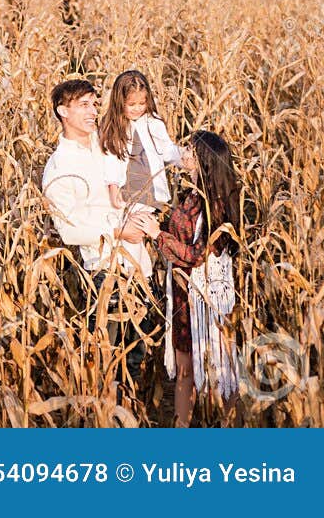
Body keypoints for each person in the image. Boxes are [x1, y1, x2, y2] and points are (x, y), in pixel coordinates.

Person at [149, 129, 243, 427]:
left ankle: (239, 434)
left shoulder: (216, 204)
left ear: (204, 160)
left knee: (222, 370)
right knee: (184, 370)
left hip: (207, 300)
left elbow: (197, 255)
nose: (184, 153)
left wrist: (157, 235)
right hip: (182, 294)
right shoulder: (193, 195)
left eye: (189, 149)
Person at [42, 78, 157, 281]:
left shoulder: (110, 143)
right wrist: (119, 232)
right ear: (63, 111)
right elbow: (69, 232)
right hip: (104, 272)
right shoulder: (59, 168)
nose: (93, 112)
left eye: (94, 105)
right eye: (84, 105)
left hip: (140, 266)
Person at [98, 69, 182, 219]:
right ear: (119, 102)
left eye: (142, 103)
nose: (138, 108)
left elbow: (167, 150)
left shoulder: (153, 121)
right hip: (129, 196)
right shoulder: (113, 126)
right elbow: (110, 159)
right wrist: (113, 186)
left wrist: (185, 158)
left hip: (154, 195)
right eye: (131, 104)